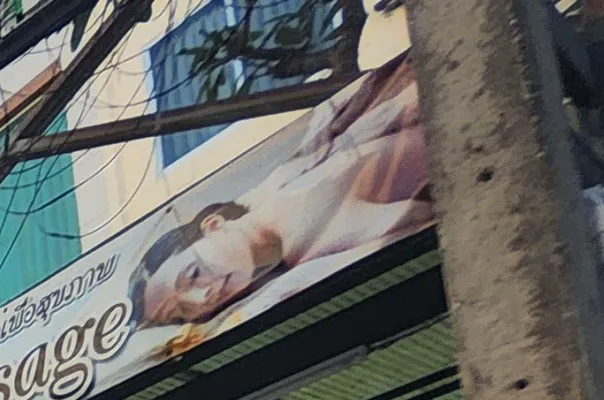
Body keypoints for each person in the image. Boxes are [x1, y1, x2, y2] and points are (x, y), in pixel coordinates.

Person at [130, 57, 431, 332]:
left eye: (194, 274)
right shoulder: (296, 278)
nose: (203, 298)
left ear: (213, 225)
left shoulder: (305, 172)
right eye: (184, 313)